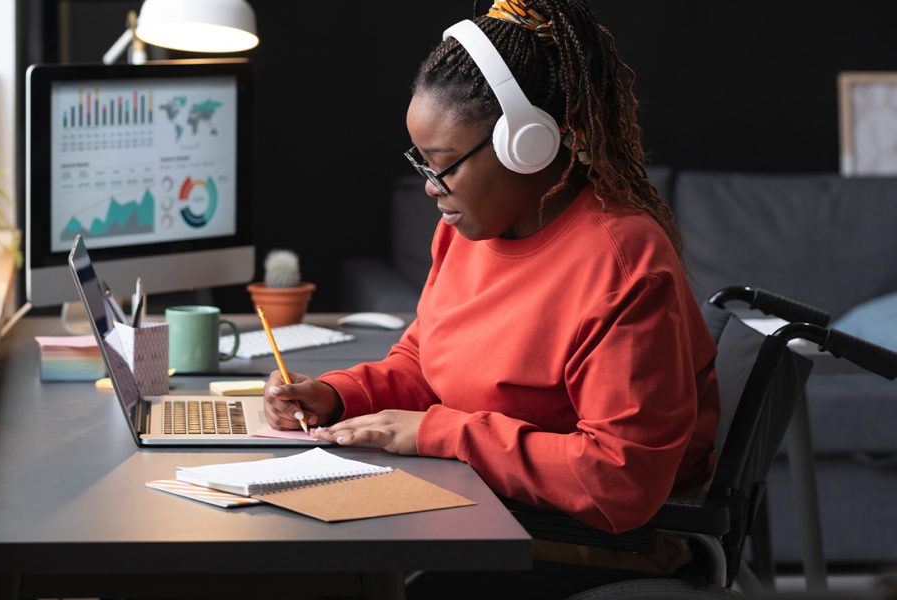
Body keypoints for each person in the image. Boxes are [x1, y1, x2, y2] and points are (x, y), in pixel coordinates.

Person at [264, 0, 719, 593]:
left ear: (525, 144)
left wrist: (437, 433)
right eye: (422, 163)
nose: (431, 188)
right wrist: (335, 395)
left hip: (598, 541)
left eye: (444, 165)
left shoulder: (622, 262)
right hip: (490, 504)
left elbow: (619, 481)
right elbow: (425, 363)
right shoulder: (464, 232)